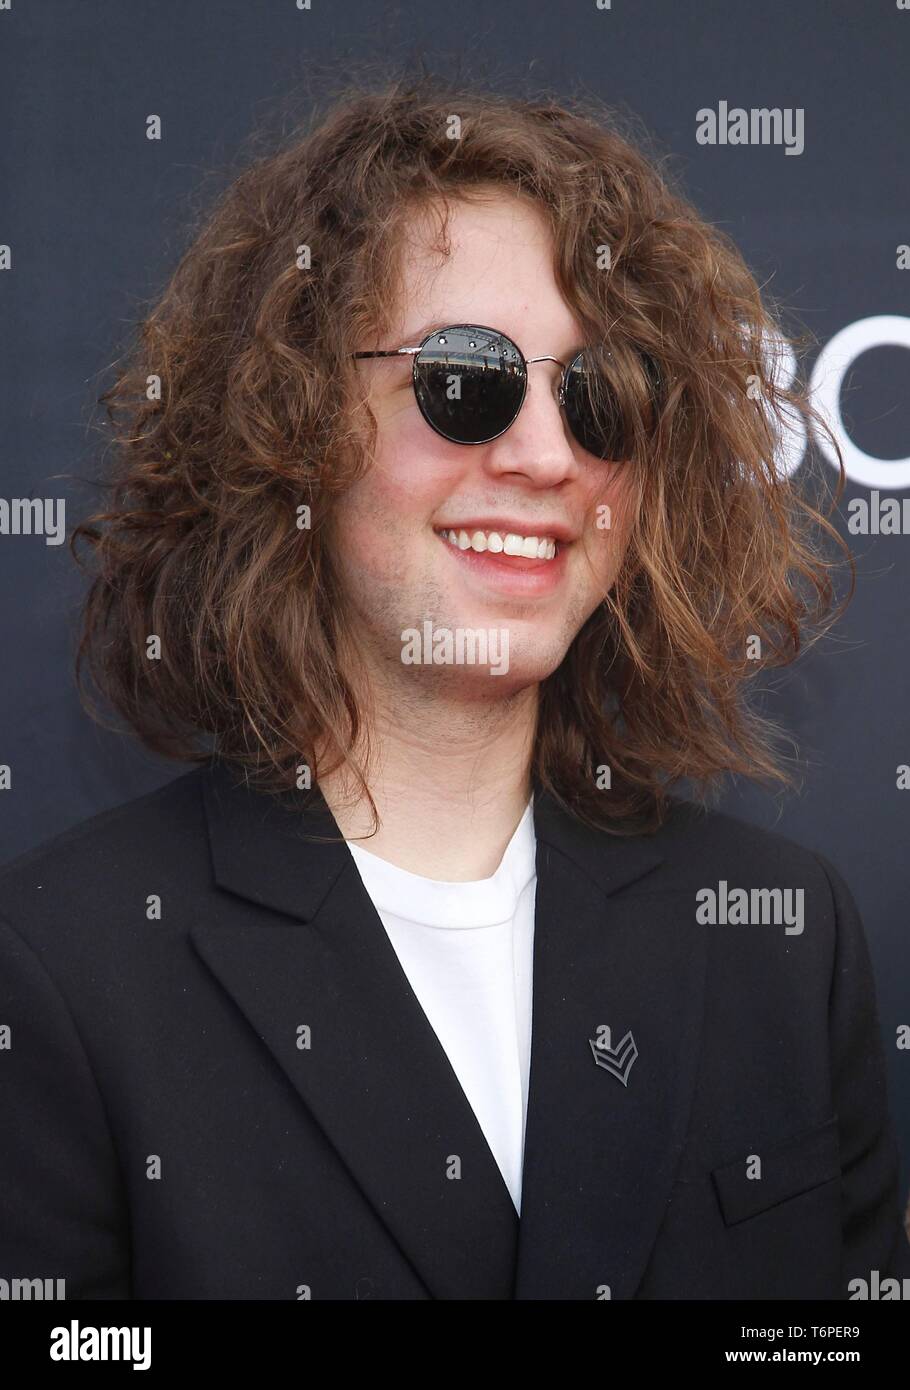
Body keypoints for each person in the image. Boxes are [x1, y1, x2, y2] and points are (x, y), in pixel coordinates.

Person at [1, 77, 907, 1301]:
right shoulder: (61, 965)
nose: (543, 455)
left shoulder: (783, 942)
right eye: (465, 379)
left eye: (599, 397)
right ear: (290, 426)